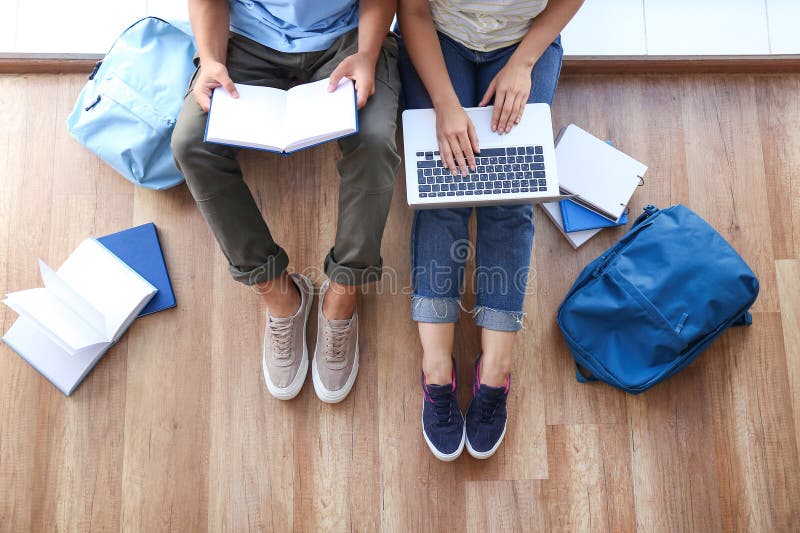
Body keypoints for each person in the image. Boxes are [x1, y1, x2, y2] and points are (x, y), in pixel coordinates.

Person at [172, 0, 400, 403]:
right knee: (191, 144)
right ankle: (278, 294)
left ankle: (344, 292)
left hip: (346, 38)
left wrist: (367, 54)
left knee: (375, 142)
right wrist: (209, 59)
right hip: (249, 41)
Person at [397, 0, 584, 460]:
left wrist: (523, 63)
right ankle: (438, 369)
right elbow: (414, 12)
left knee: (510, 200)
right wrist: (444, 104)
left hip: (522, 41)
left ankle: (495, 370)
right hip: (440, 37)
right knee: (445, 193)